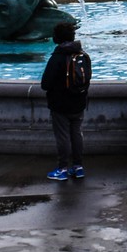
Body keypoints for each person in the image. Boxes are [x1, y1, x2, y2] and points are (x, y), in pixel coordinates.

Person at [40, 20, 91, 182]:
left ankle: (62, 169)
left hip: (60, 104)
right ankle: (78, 166)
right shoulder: (82, 54)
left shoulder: (57, 57)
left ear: (57, 38)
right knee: (77, 134)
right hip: (79, 102)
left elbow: (45, 84)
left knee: (62, 137)